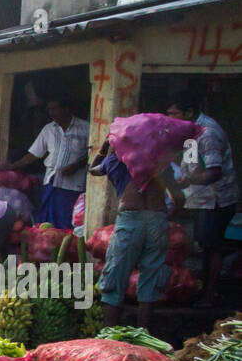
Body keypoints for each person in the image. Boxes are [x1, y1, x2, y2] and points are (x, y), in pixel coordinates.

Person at [90, 136, 185, 328]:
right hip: (157, 221)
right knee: (150, 276)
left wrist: (104, 148)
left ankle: (110, 334)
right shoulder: (159, 164)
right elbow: (179, 197)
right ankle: (143, 333)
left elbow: (92, 170)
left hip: (130, 221)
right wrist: (169, 213)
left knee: (115, 274)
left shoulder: (117, 160)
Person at [168, 93, 238, 305]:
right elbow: (191, 162)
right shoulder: (190, 131)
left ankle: (210, 294)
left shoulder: (208, 134)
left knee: (212, 245)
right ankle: (205, 290)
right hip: (201, 198)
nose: (170, 118)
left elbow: (215, 171)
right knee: (206, 244)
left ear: (189, 112)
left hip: (216, 199)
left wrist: (190, 179)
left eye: (174, 114)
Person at [0, 98, 89, 229]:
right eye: (49, 109)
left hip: (74, 186)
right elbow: (33, 155)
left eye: (54, 109)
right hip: (51, 183)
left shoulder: (86, 128)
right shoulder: (48, 129)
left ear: (66, 109)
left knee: (69, 223)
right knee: (46, 226)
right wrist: (10, 166)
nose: (51, 113)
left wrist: (76, 166)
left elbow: (94, 154)